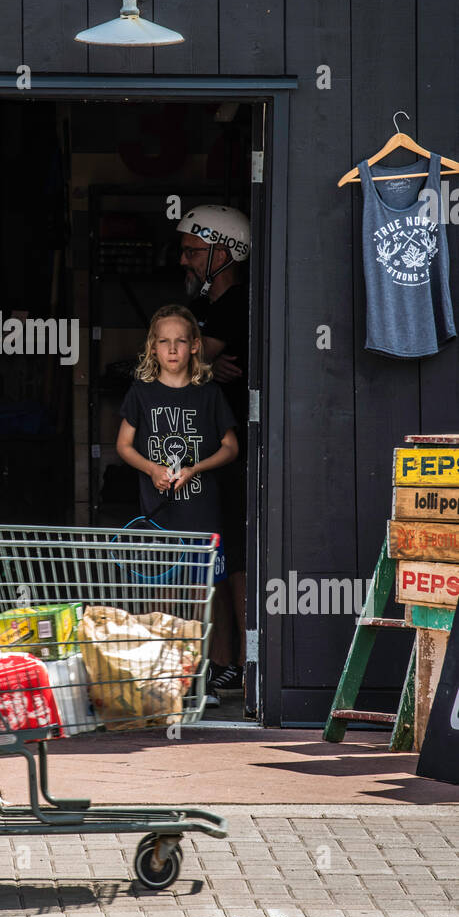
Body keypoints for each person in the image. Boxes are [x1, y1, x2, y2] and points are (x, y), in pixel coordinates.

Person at [116, 304, 238, 707]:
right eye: (164, 342)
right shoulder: (141, 393)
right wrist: (153, 469)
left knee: (199, 597)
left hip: (201, 514)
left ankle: (199, 677)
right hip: (159, 515)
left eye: (181, 342)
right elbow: (123, 446)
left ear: (195, 347)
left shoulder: (209, 394)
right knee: (161, 596)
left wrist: (194, 468)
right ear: (152, 348)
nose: (172, 349)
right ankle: (165, 676)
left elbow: (231, 447)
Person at [177, 205, 250, 696]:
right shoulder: (205, 311)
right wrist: (207, 365)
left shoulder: (236, 302)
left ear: (224, 253)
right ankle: (224, 659)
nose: (184, 260)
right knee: (218, 558)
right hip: (209, 447)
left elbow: (178, 357)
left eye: (194, 251)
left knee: (238, 558)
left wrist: (202, 362)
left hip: (235, 447)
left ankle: (247, 664)